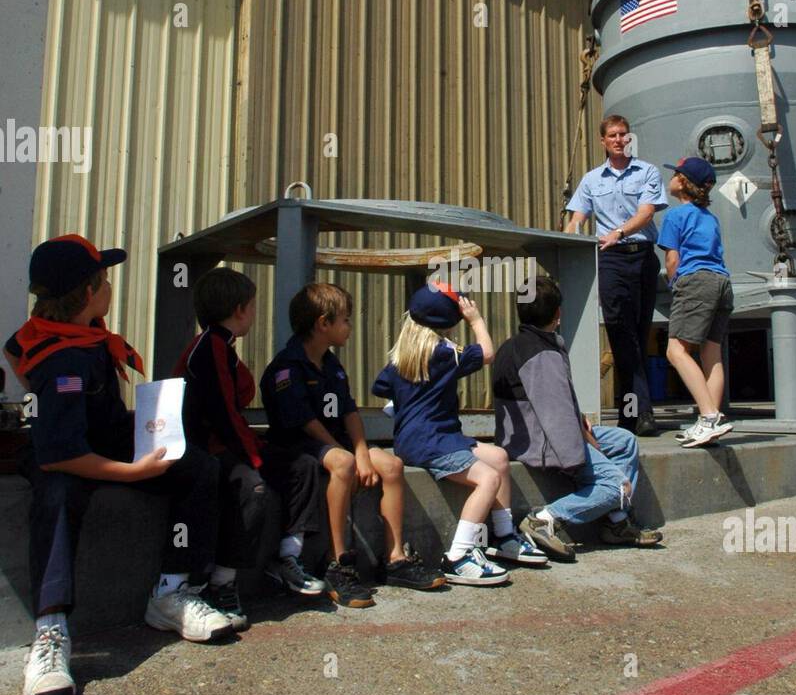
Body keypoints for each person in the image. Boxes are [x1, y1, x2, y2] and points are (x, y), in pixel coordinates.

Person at [3, 236, 232, 695]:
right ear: (88, 293)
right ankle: (52, 631)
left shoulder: (68, 329)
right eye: (104, 281)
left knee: (196, 466)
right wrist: (134, 472)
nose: (109, 289)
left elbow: (11, 349)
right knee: (57, 493)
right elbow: (62, 456)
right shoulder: (63, 359)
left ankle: (171, 591)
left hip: (103, 436)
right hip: (70, 453)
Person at [261, 283, 446, 609]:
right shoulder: (287, 367)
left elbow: (349, 411)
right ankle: (338, 563)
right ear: (323, 324)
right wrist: (347, 455)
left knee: (391, 465)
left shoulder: (331, 365)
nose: (350, 327)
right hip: (300, 445)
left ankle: (394, 559)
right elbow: (306, 423)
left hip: (337, 443)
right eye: (345, 320)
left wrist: (362, 451)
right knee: (343, 464)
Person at [175, 267, 328, 629]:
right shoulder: (209, 346)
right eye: (254, 306)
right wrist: (254, 457)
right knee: (252, 486)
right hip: (208, 448)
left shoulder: (222, 346)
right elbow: (224, 415)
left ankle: (287, 558)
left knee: (302, 466)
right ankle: (221, 582)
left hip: (232, 440)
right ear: (240, 309)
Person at [372, 283, 546, 586]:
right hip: (433, 442)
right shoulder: (445, 354)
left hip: (430, 437)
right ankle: (459, 556)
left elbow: (380, 388)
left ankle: (504, 536)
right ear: (448, 322)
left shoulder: (400, 359)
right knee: (488, 478)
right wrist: (476, 320)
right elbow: (488, 353)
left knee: (499, 458)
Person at [493, 274, 663, 559]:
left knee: (624, 441)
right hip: (543, 440)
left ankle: (617, 524)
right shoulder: (541, 354)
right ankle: (544, 519)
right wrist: (579, 457)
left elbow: (555, 403)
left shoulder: (523, 344)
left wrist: (581, 418)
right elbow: (555, 417)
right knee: (617, 485)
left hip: (538, 432)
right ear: (558, 313)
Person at [564, 114, 668, 436]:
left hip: (641, 258)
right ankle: (642, 414)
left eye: (624, 134)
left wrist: (619, 232)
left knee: (638, 335)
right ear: (603, 141)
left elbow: (647, 212)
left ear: (629, 138)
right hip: (610, 261)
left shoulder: (647, 172)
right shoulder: (592, 179)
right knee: (621, 337)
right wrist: (570, 234)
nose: (619, 140)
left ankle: (629, 416)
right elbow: (576, 216)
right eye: (613, 135)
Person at [656, 158, 734, 448]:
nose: (672, 178)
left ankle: (710, 416)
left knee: (675, 351)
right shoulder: (710, 218)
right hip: (722, 282)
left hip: (696, 282)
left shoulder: (675, 216)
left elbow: (672, 260)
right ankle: (707, 423)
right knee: (711, 355)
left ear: (684, 182)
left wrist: (676, 285)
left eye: (676, 174)